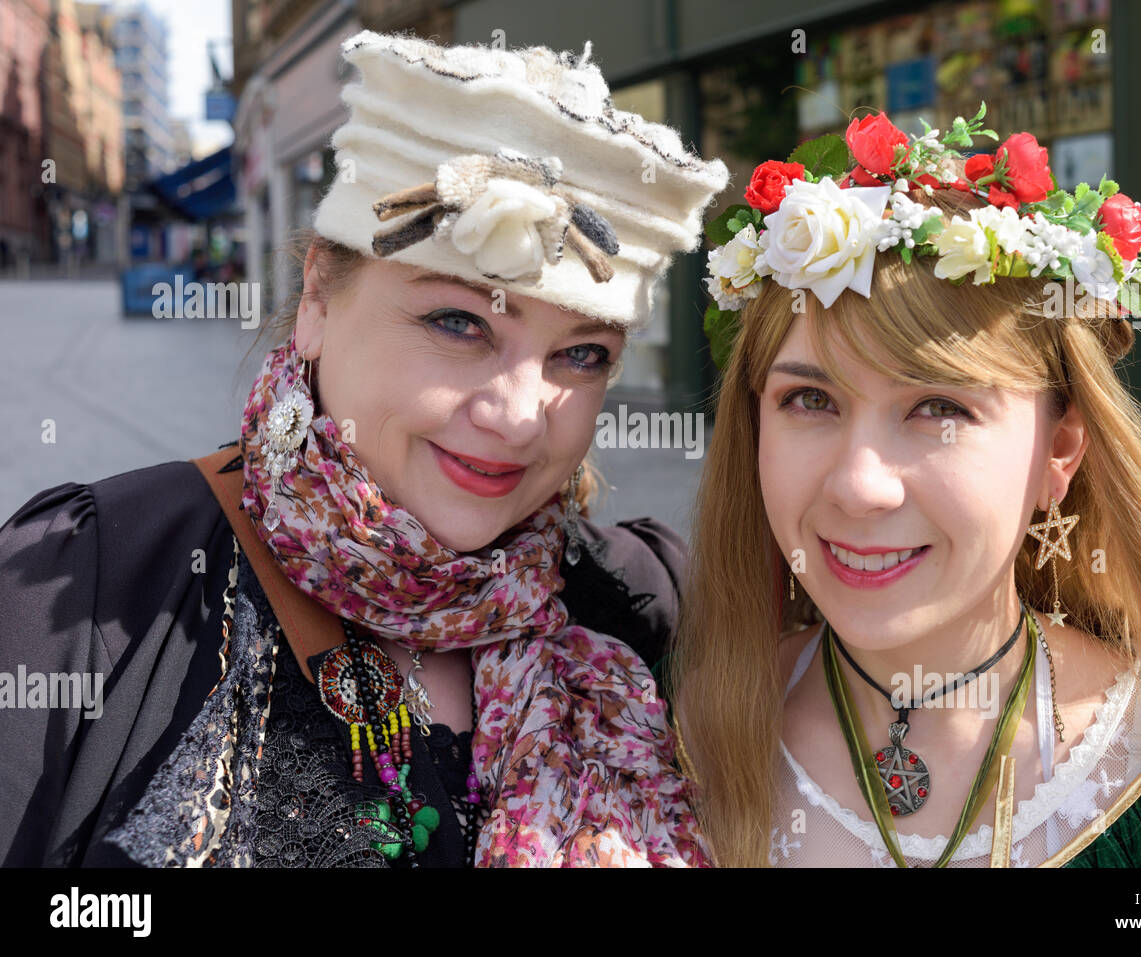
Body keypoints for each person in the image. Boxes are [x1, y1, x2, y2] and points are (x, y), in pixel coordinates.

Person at [0, 31, 728, 868]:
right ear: (316, 295)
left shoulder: (645, 608)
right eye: (459, 323)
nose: (521, 417)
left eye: (583, 354)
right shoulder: (86, 590)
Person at [670, 106, 1141, 867]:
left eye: (939, 407)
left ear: (1059, 451)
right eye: (810, 400)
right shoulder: (669, 740)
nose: (861, 485)